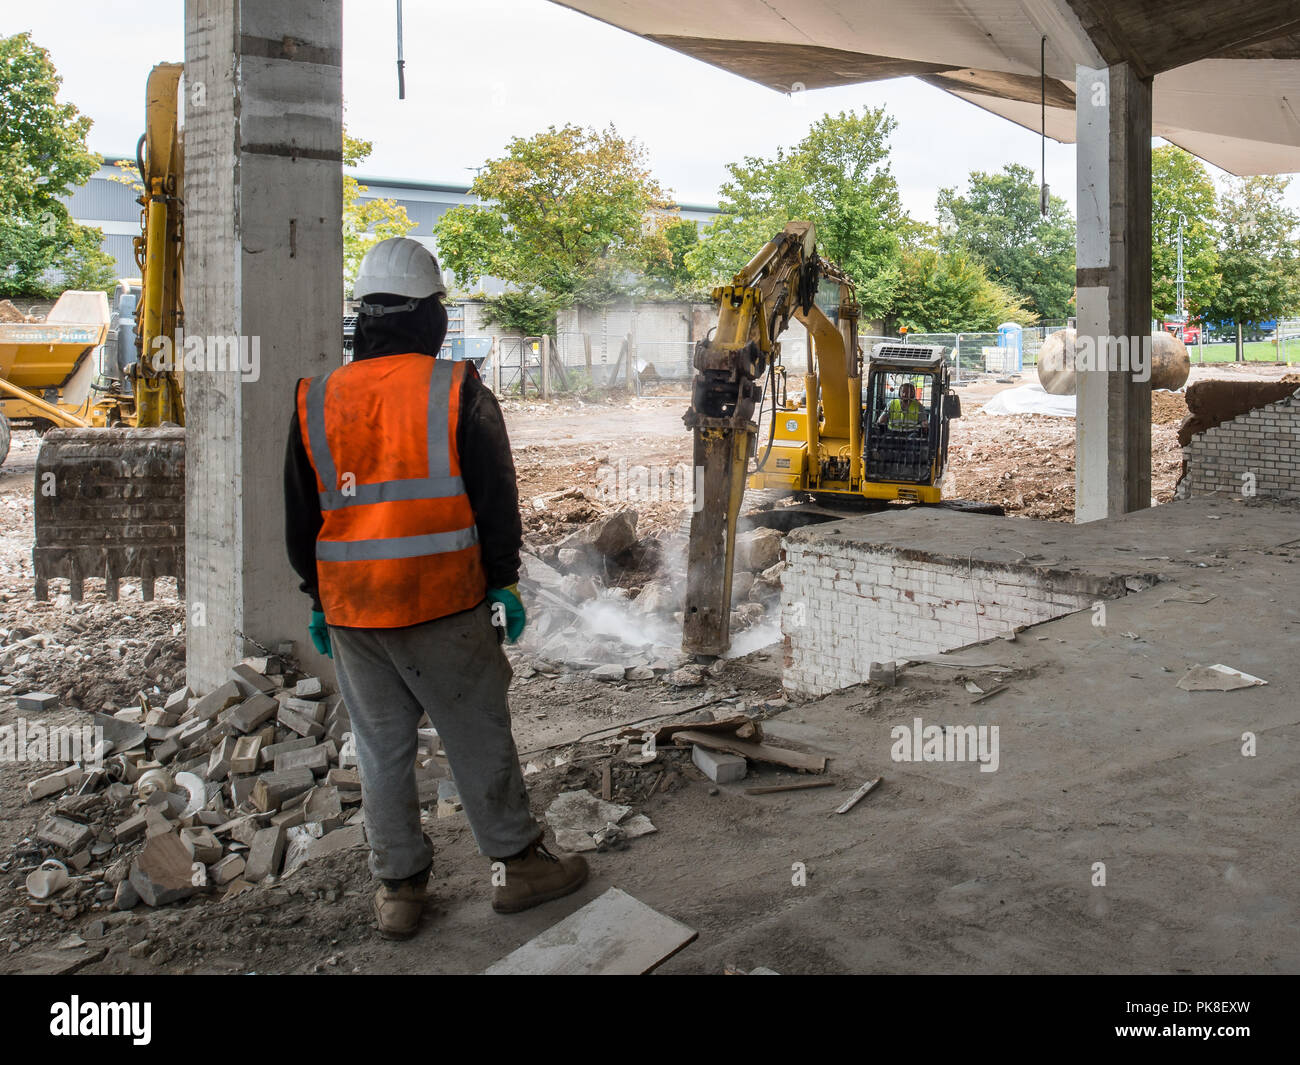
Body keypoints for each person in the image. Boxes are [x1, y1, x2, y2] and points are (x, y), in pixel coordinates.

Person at [283, 237, 587, 940]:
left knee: (381, 746)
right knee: (476, 733)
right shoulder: (458, 389)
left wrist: (315, 599)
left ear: (365, 317)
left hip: (355, 612)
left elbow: (302, 515)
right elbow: (495, 494)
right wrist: (503, 581)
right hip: (444, 601)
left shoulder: (316, 397)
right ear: (429, 317)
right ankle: (518, 865)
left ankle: (398, 890)